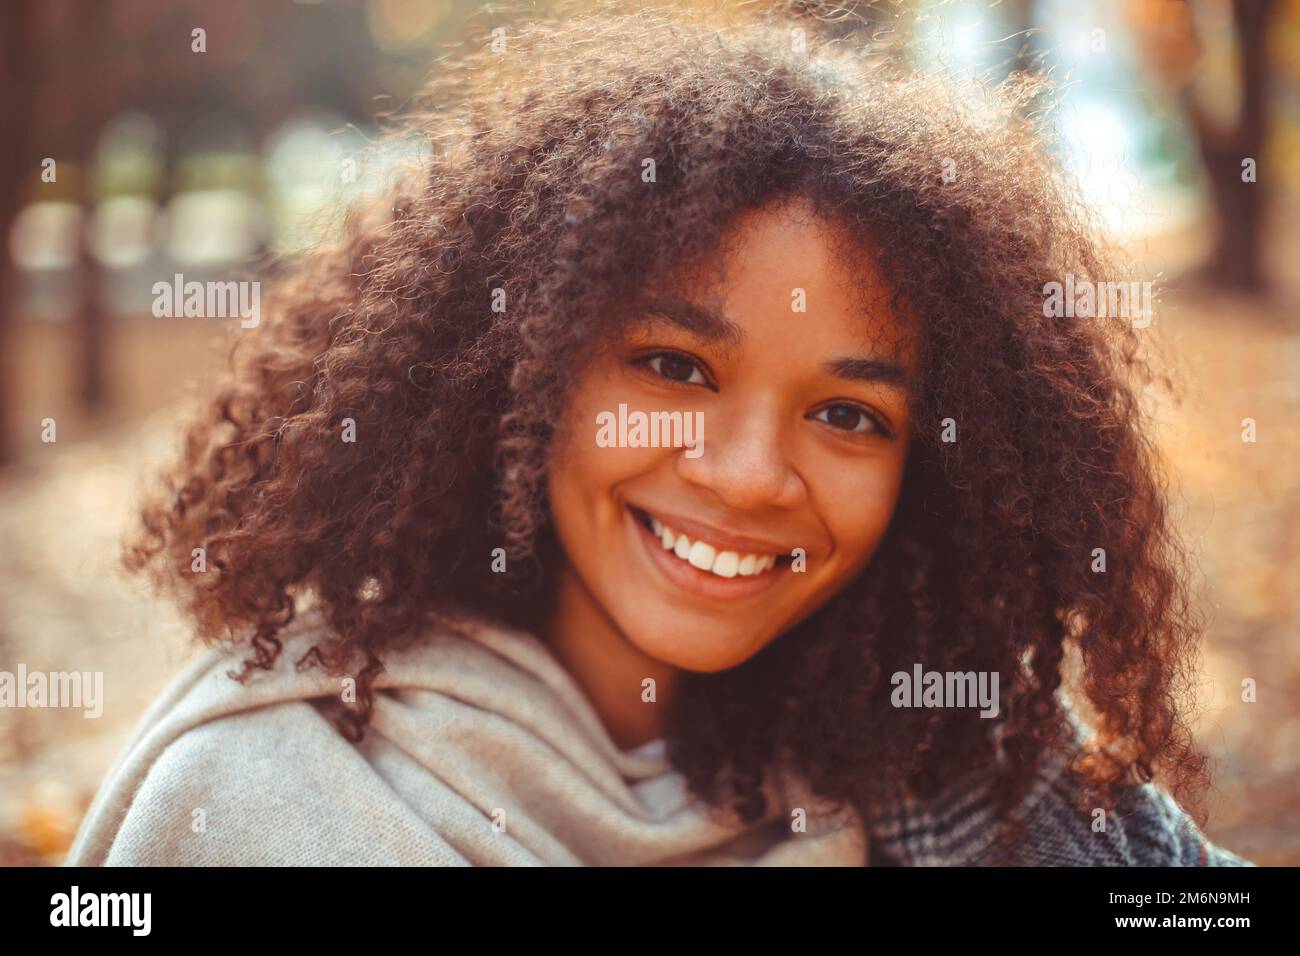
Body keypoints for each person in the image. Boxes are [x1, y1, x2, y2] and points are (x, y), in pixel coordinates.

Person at [66, 1, 1252, 866]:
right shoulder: (260, 790)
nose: (745, 475)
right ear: (520, 369)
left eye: (848, 414)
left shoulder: (966, 767)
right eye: (675, 366)